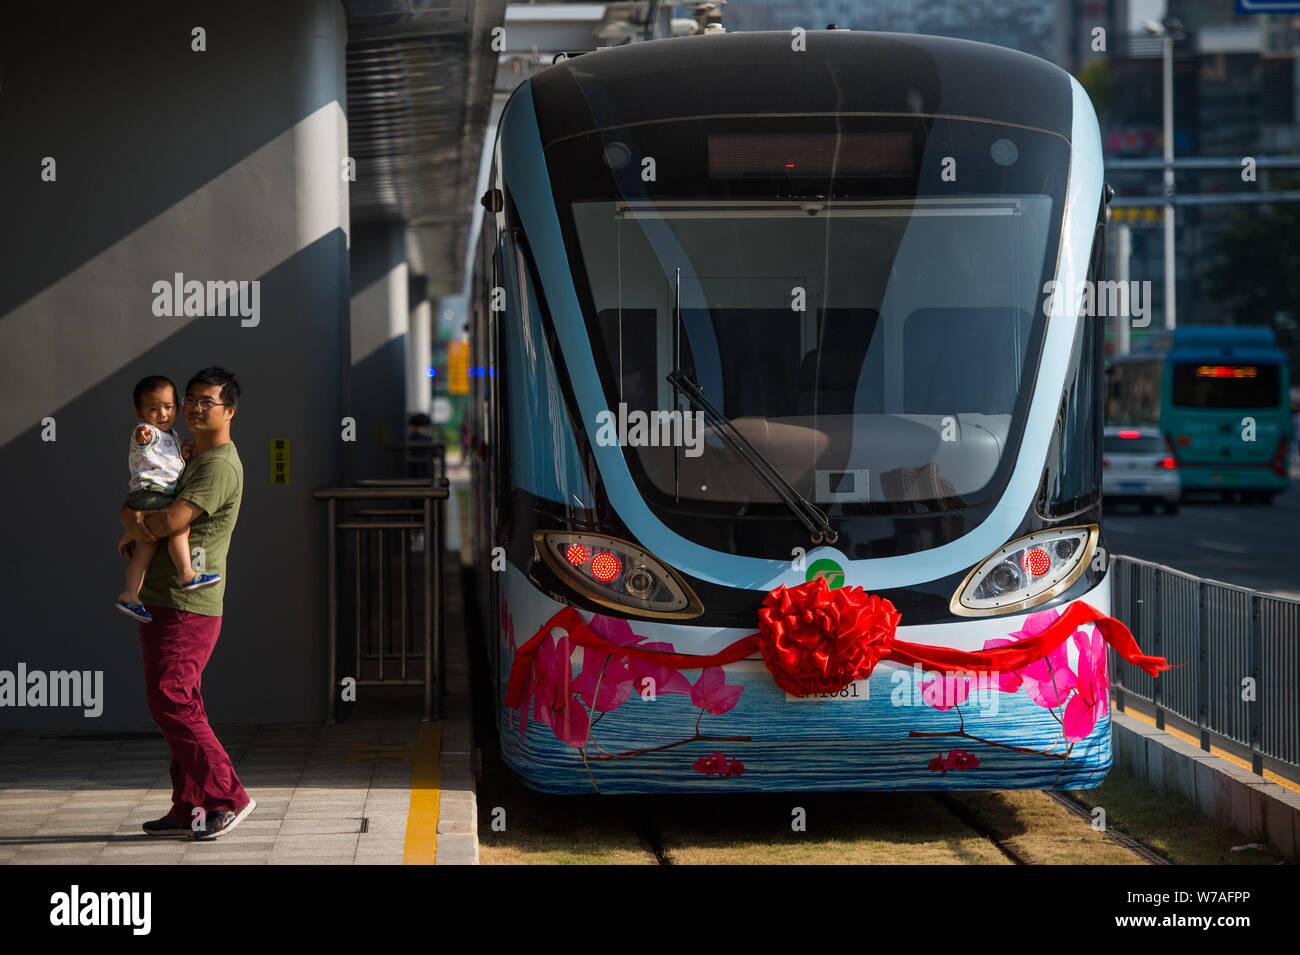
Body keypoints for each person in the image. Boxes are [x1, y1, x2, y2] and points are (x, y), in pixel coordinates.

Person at [118, 367, 255, 840]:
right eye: (190, 399)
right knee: (181, 701)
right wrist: (132, 517)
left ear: (230, 411)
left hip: (186, 604)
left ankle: (227, 796)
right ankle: (189, 806)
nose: (194, 408)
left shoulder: (218, 465)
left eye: (207, 402)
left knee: (171, 700)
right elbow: (141, 500)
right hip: (165, 599)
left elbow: (166, 519)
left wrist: (134, 522)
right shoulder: (188, 454)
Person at [115, 375, 220, 623]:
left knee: (147, 547)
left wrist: (181, 455)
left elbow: (165, 461)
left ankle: (130, 594)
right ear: (140, 413)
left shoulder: (171, 435)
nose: (162, 413)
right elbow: (145, 440)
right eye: (154, 409)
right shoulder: (147, 431)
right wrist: (143, 434)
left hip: (150, 494)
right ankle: (186, 574)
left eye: (169, 407)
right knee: (178, 525)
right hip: (152, 493)